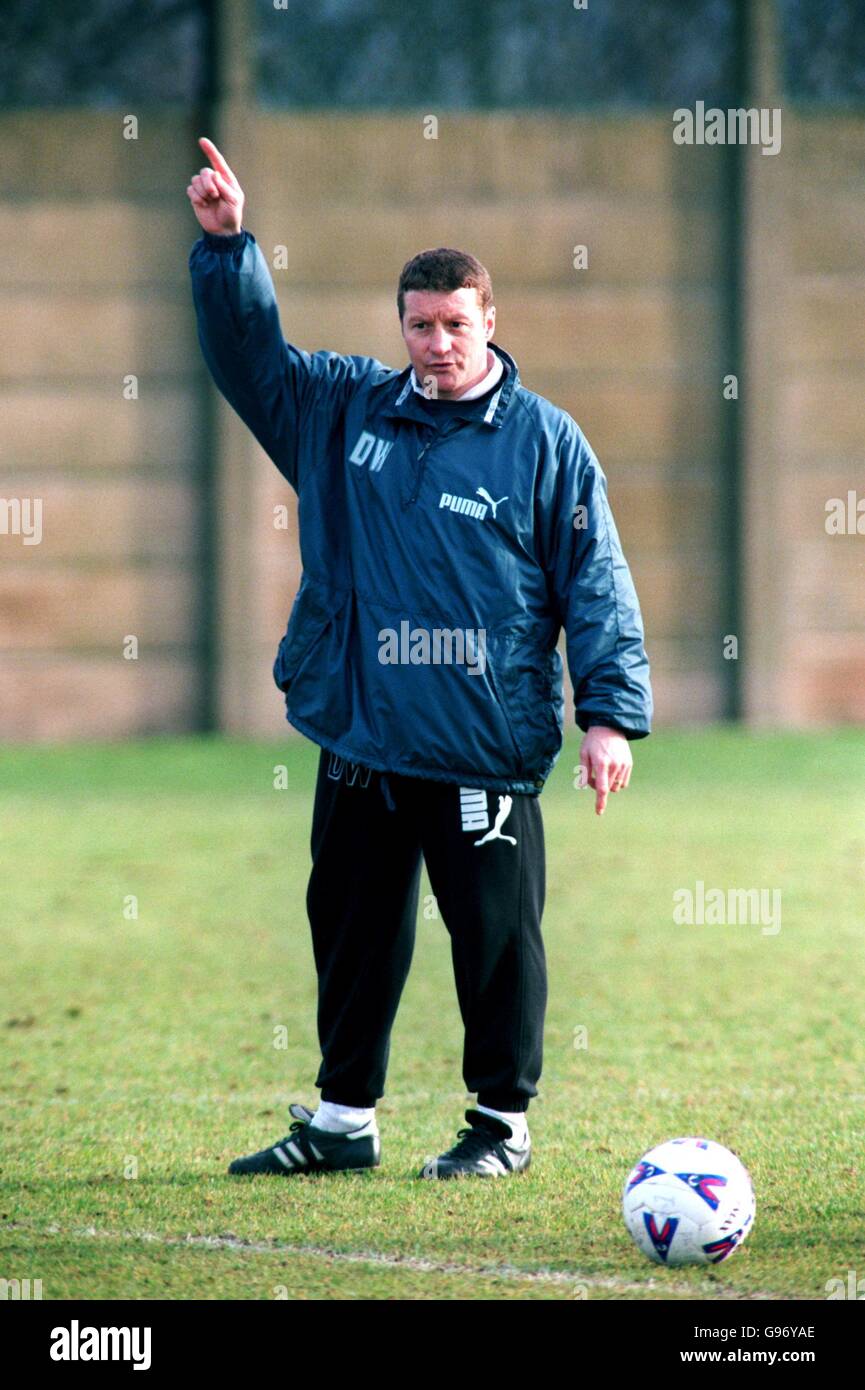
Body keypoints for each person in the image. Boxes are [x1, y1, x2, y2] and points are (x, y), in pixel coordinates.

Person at [187, 136, 653, 1180]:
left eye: (453, 324)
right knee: (351, 931)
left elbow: (598, 582)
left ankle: (500, 1126)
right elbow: (250, 362)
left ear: (489, 323)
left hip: (480, 742)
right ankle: (342, 1120)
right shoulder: (344, 408)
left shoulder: (544, 443)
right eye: (419, 325)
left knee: (493, 939)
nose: (436, 343)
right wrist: (228, 251)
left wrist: (609, 715)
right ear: (399, 328)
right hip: (361, 728)